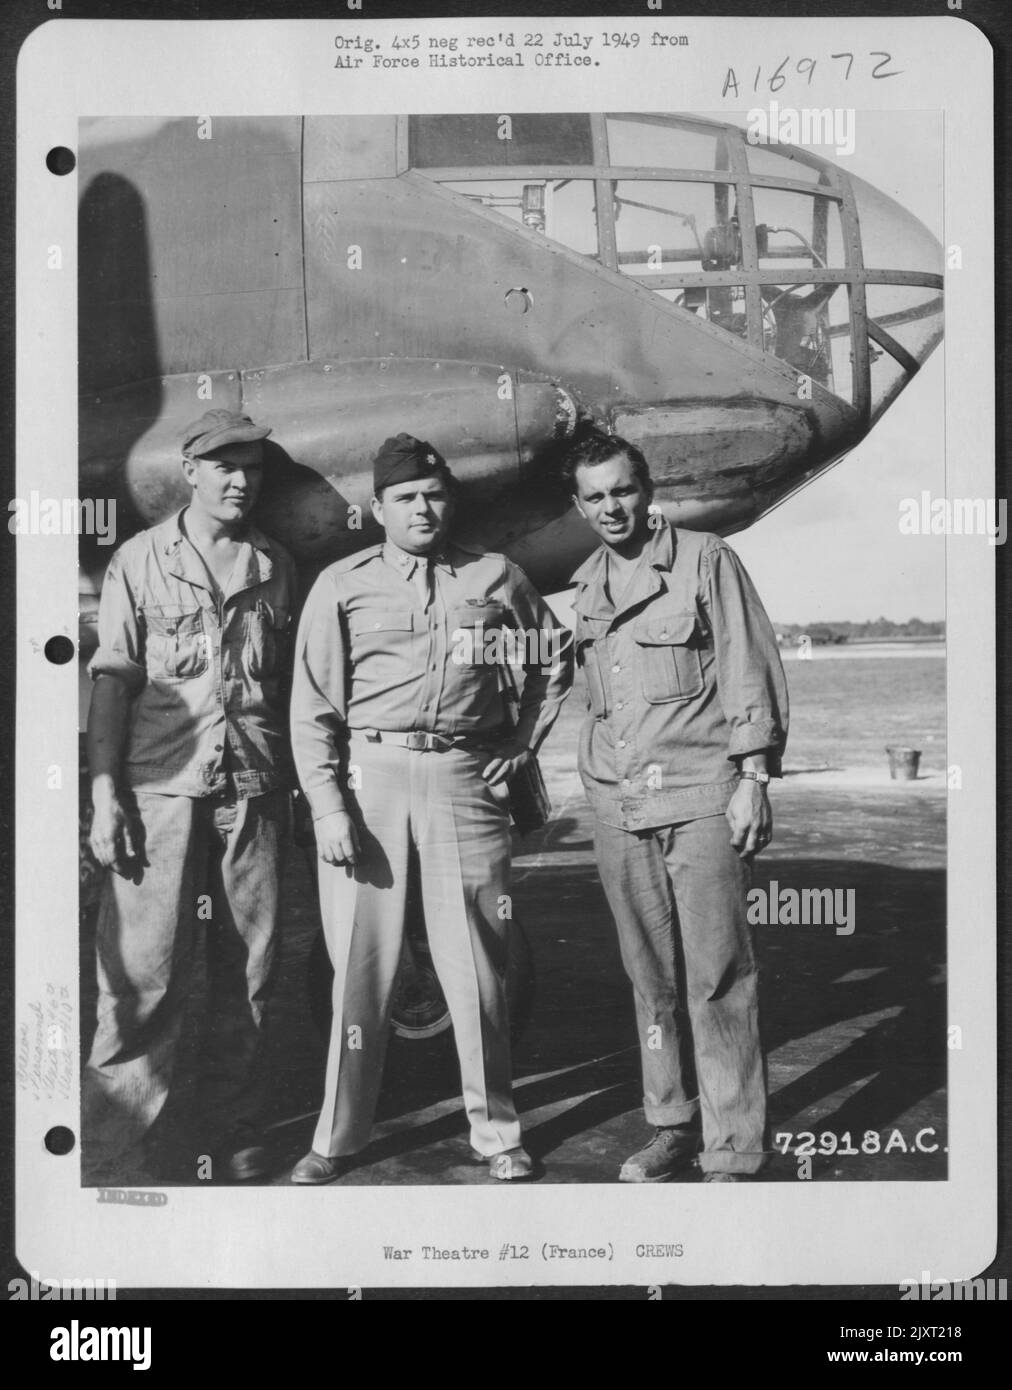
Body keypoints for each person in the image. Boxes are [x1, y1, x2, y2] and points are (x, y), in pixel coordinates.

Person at [289, 433, 573, 1183]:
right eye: (406, 497)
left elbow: (554, 657)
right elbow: (312, 708)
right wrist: (328, 808)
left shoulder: (493, 577)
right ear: (377, 508)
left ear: (450, 500)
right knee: (360, 967)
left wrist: (522, 738)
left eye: (434, 494)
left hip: (464, 777)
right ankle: (337, 1137)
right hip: (370, 780)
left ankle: (497, 1133)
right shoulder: (341, 585)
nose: (423, 507)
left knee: (480, 965)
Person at [563, 426, 789, 1182]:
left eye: (623, 490)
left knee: (718, 977)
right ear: (579, 505)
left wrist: (753, 779)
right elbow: (585, 697)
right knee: (650, 983)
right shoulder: (586, 584)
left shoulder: (705, 560)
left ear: (648, 490)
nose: (611, 507)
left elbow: (746, 667)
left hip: (699, 799)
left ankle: (733, 1150)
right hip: (619, 809)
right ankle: (671, 1125)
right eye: (594, 497)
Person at [83, 409, 296, 1184]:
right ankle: (116, 1147)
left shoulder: (275, 565)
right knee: (141, 980)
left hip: (253, 792)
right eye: (226, 467)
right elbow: (112, 681)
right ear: (192, 470)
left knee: (253, 977)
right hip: (160, 795)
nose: (242, 481)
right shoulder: (139, 563)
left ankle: (234, 1131)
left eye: (255, 469)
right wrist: (105, 796)